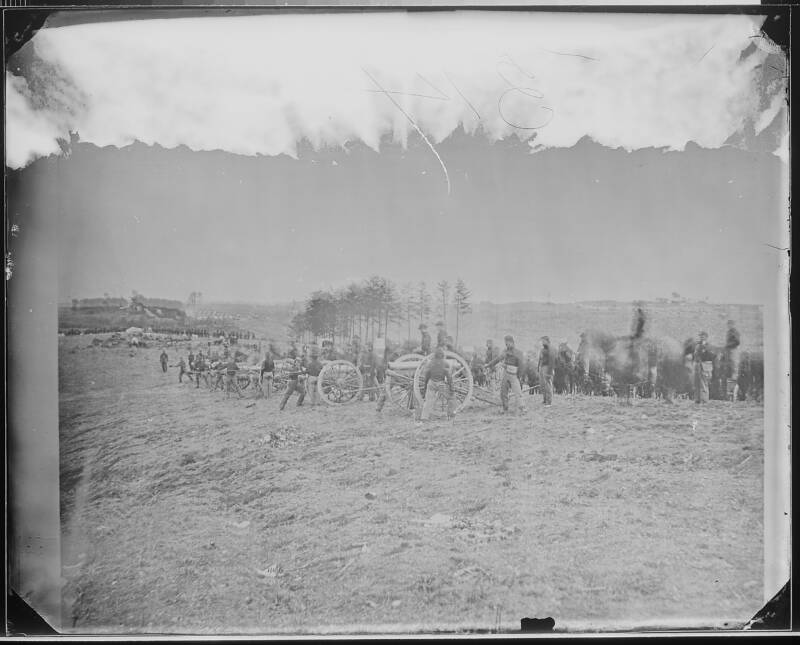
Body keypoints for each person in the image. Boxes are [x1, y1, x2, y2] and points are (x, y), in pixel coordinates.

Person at [486, 335, 527, 414]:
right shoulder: (505, 351)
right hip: (506, 373)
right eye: (505, 343)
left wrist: (518, 376)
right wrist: (489, 365)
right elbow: (498, 359)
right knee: (503, 392)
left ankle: (522, 409)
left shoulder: (518, 353)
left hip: (514, 375)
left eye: (507, 343)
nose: (506, 345)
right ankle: (505, 408)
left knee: (518, 392)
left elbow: (521, 366)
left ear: (512, 342)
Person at [420, 347, 455, 422]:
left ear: (435, 355)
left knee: (428, 401)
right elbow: (449, 377)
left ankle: (424, 417)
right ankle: (450, 414)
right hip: (441, 384)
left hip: (431, 382)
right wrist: (451, 388)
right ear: (442, 355)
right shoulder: (445, 363)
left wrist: (425, 387)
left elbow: (427, 376)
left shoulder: (430, 363)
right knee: (450, 398)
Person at [693, 331, 716, 404]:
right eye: (700, 336)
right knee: (697, 383)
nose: (701, 337)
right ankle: (697, 399)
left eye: (703, 336)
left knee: (704, 383)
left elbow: (712, 356)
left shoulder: (709, 346)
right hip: (698, 365)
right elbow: (695, 355)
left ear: (706, 337)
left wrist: (704, 350)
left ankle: (704, 400)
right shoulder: (697, 345)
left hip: (705, 365)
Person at [725, 319, 741, 401]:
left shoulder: (734, 332)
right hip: (729, 351)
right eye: (728, 324)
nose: (729, 326)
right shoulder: (729, 332)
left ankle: (734, 395)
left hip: (733, 350)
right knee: (730, 371)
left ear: (733, 324)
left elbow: (737, 342)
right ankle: (730, 394)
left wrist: (728, 345)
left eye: (731, 324)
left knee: (734, 370)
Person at [538, 336, 555, 406]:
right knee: (542, 385)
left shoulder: (551, 349)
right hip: (542, 367)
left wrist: (549, 372)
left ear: (547, 341)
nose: (542, 342)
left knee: (548, 385)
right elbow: (540, 359)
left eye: (543, 341)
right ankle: (545, 400)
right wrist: (538, 367)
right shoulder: (543, 349)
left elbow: (552, 361)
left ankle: (549, 402)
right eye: (542, 341)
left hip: (547, 367)